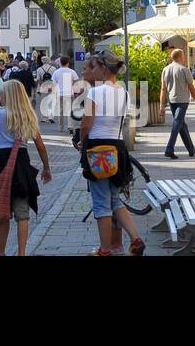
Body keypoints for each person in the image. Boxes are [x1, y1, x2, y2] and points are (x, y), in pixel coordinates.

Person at [80, 51, 145, 256]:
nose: (94, 71)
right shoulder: (123, 92)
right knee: (115, 199)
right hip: (117, 147)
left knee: (101, 203)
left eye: (96, 67)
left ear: (103, 68)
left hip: (98, 148)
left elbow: (87, 124)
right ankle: (136, 239)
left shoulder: (95, 92)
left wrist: (82, 142)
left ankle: (104, 250)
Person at [0, 80, 51, 256]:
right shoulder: (28, 116)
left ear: (6, 96)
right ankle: (21, 252)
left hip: (2, 162)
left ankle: (1, 252)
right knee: (23, 213)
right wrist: (46, 167)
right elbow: (41, 146)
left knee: (3, 211)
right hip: (21, 162)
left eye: (2, 93)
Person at [160, 48, 195, 159]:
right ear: (180, 57)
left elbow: (163, 89)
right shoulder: (184, 70)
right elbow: (192, 88)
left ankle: (191, 149)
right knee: (177, 124)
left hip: (172, 100)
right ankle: (169, 149)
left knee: (181, 124)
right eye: (184, 56)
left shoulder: (165, 69)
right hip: (182, 101)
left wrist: (162, 106)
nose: (184, 58)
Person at [51, 57, 77, 130]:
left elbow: (53, 83)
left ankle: (61, 127)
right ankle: (70, 126)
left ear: (60, 62)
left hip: (60, 93)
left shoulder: (56, 72)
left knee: (60, 111)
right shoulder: (72, 71)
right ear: (68, 63)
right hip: (69, 93)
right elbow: (76, 81)